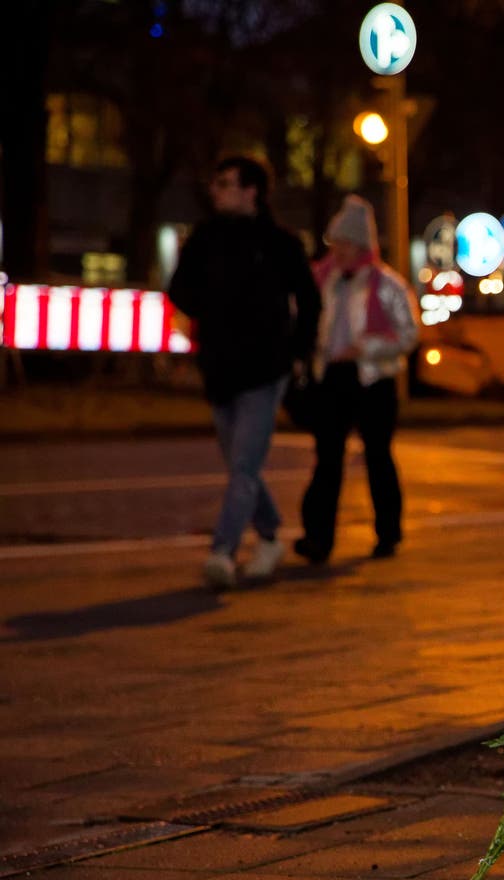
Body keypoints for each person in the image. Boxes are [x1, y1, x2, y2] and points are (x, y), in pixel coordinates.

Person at [168, 156, 320, 590]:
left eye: (226, 183)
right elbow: (179, 289)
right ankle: (270, 534)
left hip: (265, 369)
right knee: (242, 464)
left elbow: (309, 300)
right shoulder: (206, 238)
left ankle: (222, 551)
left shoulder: (279, 243)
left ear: (251, 190)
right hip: (219, 368)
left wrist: (297, 352)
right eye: (215, 183)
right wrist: (212, 312)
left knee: (243, 466)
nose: (216, 191)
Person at [292, 195, 419, 564]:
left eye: (347, 244)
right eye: (337, 243)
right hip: (331, 378)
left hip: (373, 381)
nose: (341, 251)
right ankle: (318, 538)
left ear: (362, 246)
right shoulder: (322, 281)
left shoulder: (387, 285)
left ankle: (387, 533)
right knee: (327, 459)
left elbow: (408, 334)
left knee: (378, 456)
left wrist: (365, 348)